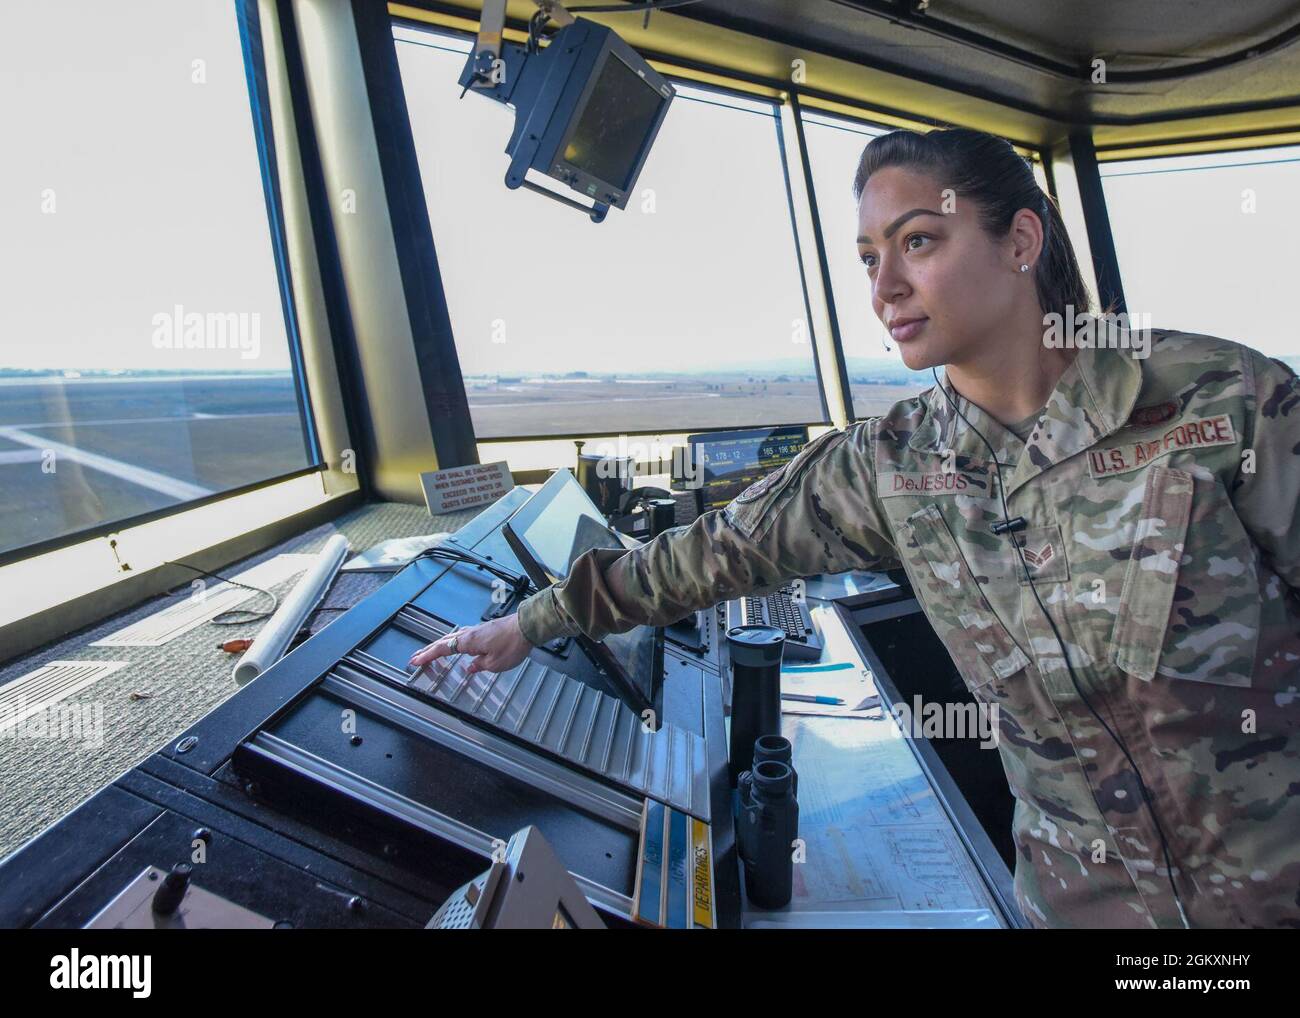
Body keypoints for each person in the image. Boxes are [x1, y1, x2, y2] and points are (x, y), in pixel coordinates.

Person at [410, 127, 1300, 929]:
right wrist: (528, 625)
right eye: (869, 256)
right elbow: (711, 554)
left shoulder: (1221, 402)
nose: (884, 287)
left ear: (1021, 241)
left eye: (919, 241)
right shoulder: (890, 467)